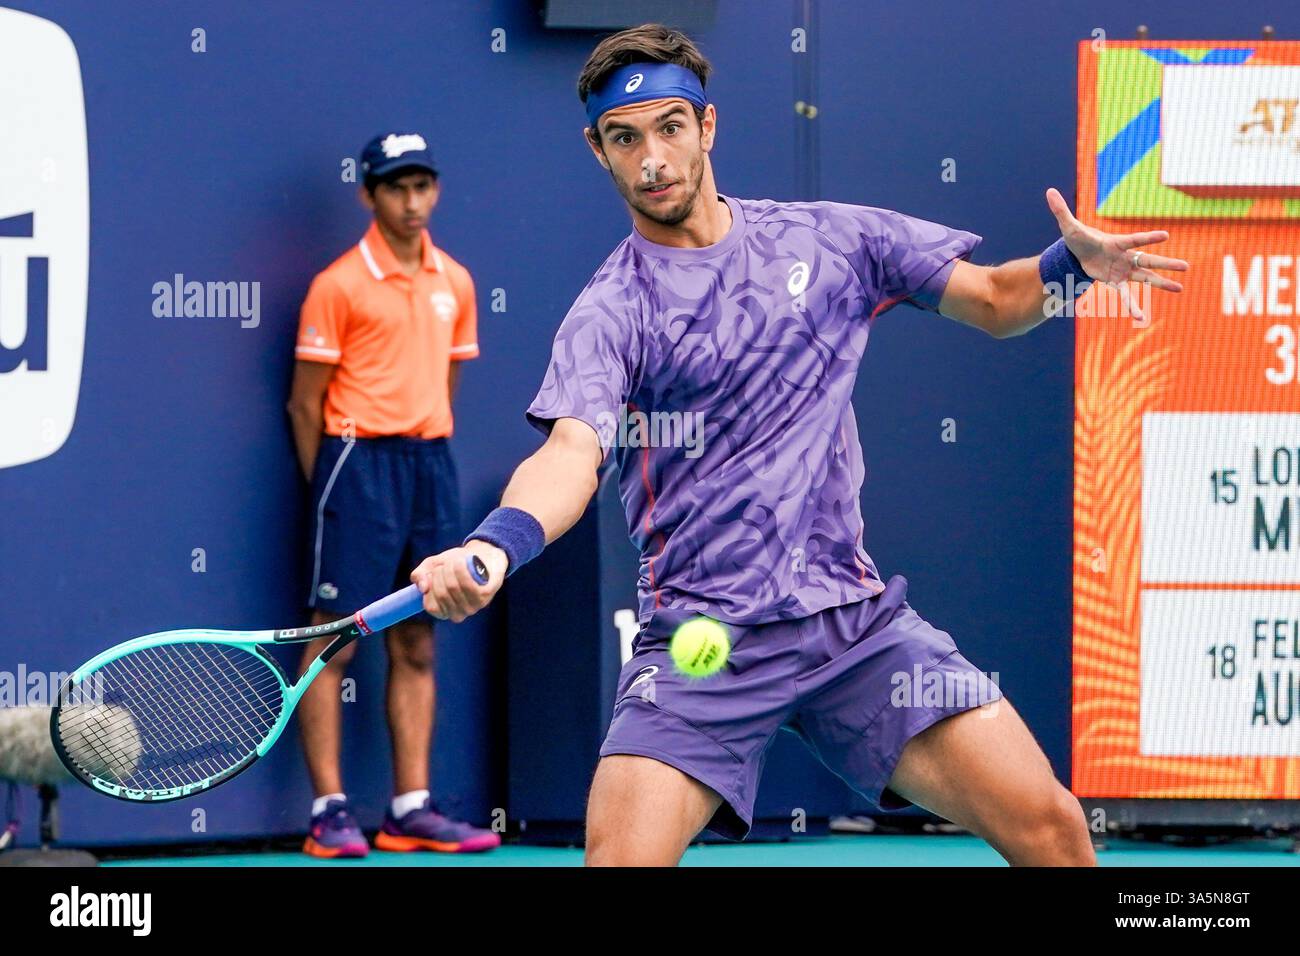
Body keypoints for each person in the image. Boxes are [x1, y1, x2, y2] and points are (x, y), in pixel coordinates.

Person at [410, 25, 1188, 866]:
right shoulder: (612, 310)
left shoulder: (831, 241)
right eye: (625, 138)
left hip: (852, 627)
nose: (653, 159)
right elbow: (571, 452)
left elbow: (998, 301)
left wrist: (1067, 266)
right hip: (700, 647)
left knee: (1053, 827)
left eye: (670, 127)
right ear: (598, 150)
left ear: (708, 127)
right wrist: (497, 543)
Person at [286, 131, 499, 858]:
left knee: (418, 635)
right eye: (397, 187)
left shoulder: (457, 281)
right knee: (332, 642)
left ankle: (409, 808)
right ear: (369, 195)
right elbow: (304, 405)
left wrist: (421, 440)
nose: (414, 201)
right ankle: (329, 810)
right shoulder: (338, 284)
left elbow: (446, 384)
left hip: (429, 465)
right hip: (354, 464)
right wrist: (333, 486)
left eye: (423, 186)